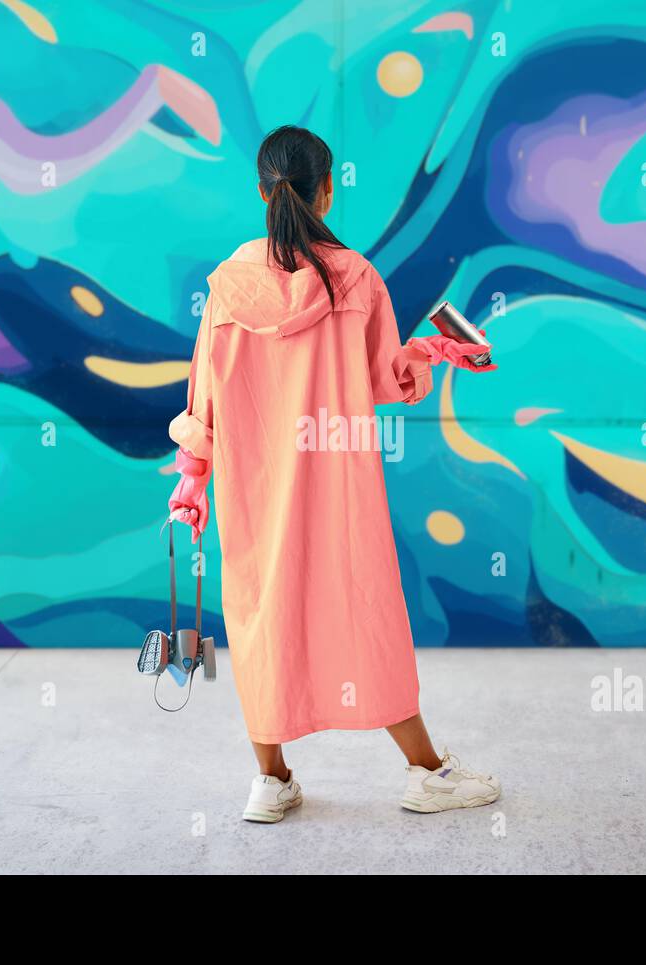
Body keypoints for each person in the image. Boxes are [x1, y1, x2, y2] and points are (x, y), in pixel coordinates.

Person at [166, 125, 500, 822]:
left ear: (262, 193)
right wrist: (441, 348)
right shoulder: (357, 277)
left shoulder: (227, 288)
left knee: (263, 618)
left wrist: (191, 478)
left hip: (254, 491)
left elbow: (205, 395)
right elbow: (388, 378)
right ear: (328, 190)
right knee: (365, 614)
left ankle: (270, 778)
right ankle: (426, 771)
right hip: (340, 486)